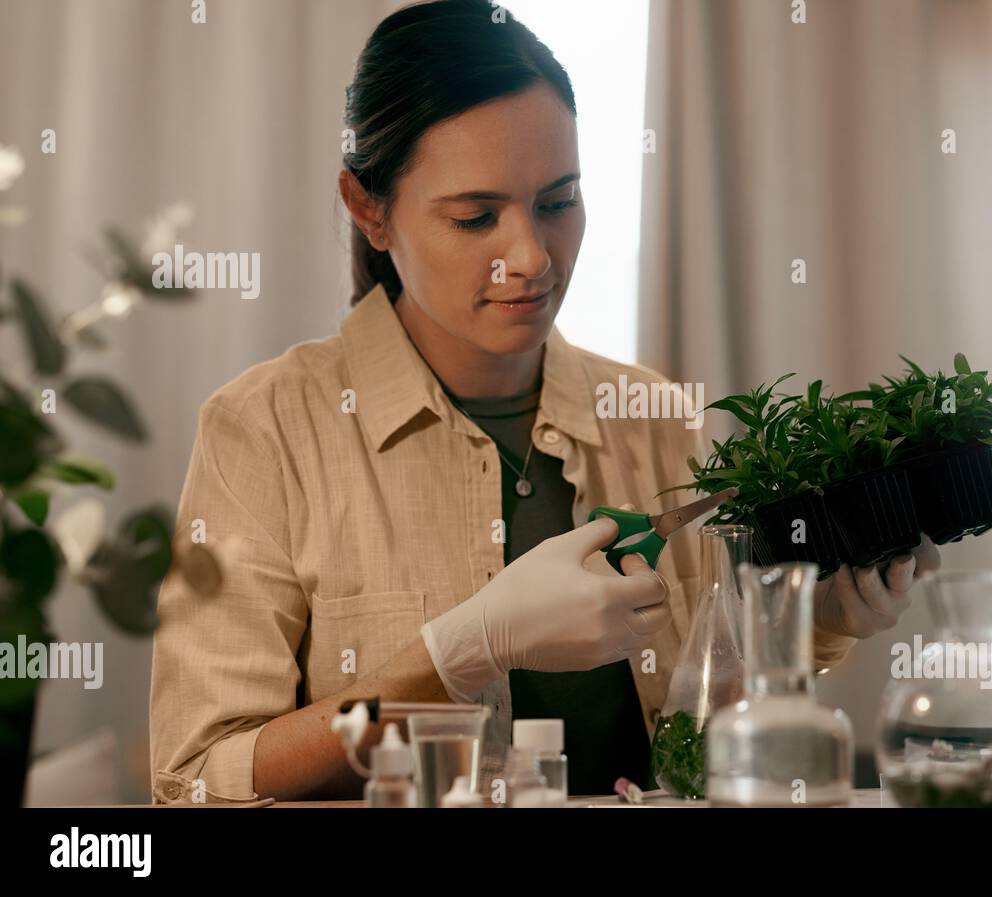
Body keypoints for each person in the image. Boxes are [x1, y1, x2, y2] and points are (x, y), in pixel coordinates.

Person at [148, 0, 939, 805]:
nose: (530, 257)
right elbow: (197, 779)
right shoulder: (265, 432)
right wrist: (457, 652)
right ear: (369, 209)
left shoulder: (660, 419)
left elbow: (710, 730)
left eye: (558, 202)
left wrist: (814, 621)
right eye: (476, 216)